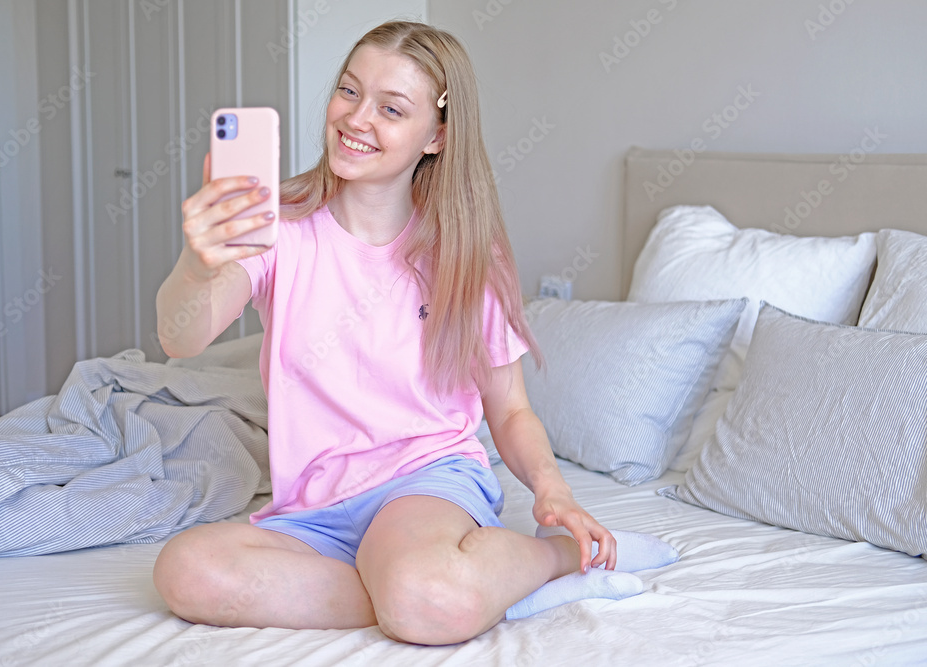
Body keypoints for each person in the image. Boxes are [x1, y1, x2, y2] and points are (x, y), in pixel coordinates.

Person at [153, 20, 675, 646]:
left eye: (391, 108)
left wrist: (553, 492)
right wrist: (197, 265)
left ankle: (560, 558)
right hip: (314, 506)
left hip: (423, 481)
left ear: (437, 135)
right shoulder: (279, 226)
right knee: (186, 571)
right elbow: (181, 340)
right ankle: (435, 587)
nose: (356, 118)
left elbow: (509, 408)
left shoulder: (464, 252)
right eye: (349, 91)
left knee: (425, 597)